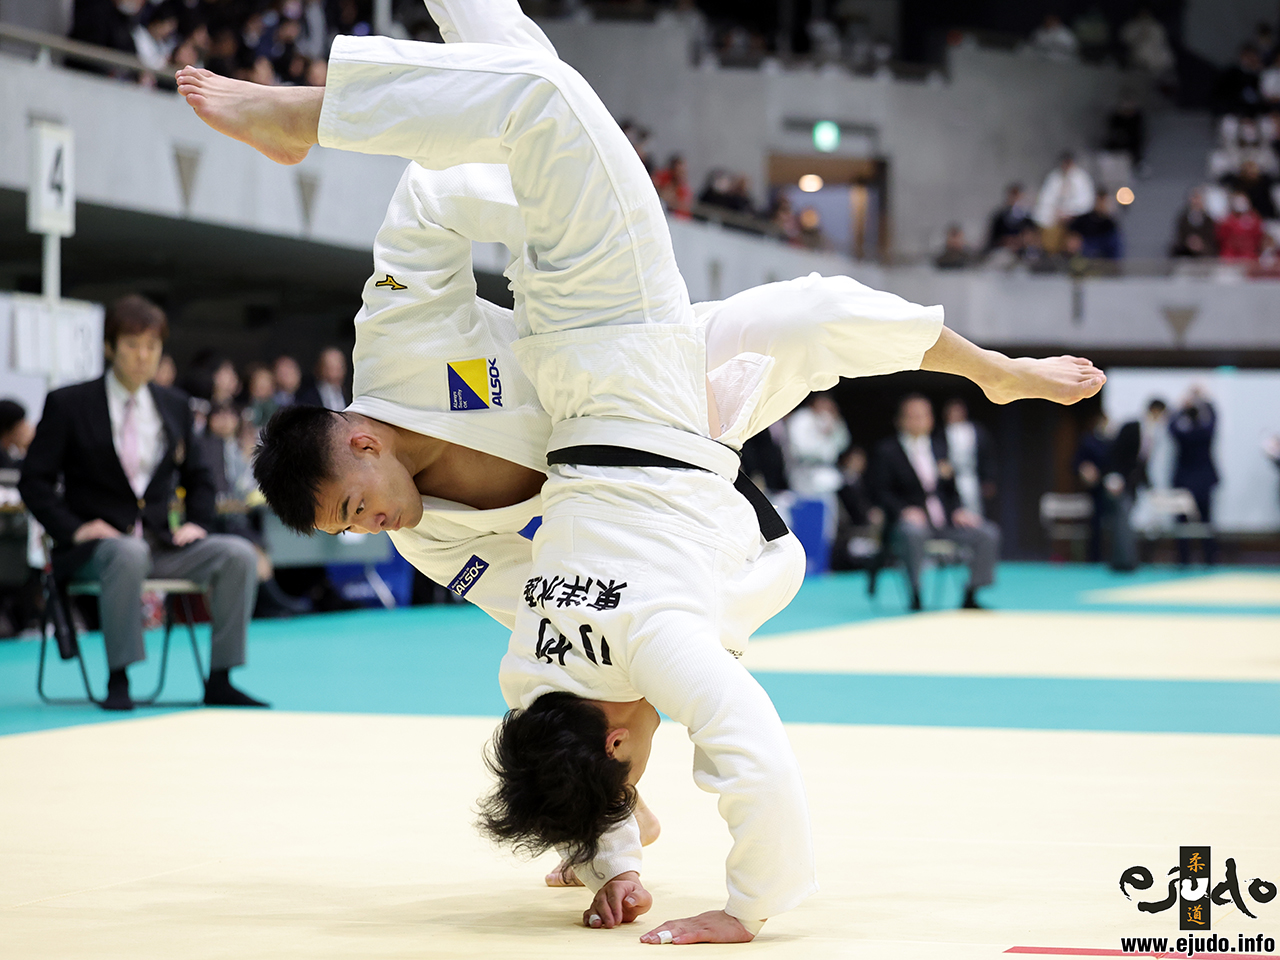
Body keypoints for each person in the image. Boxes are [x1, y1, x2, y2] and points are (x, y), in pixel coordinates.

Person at [177, 1, 1106, 941]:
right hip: (672, 441)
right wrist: (613, 818)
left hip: (599, 348)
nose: (368, 530)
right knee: (543, 97)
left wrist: (605, 841)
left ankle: (992, 371)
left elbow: (427, 204)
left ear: (361, 444)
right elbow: (582, 691)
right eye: (348, 531)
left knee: (788, 289)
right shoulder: (468, 563)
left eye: (351, 508)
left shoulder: (396, 342)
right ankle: (320, 116)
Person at [19, 295, 266, 711]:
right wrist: (75, 528)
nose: (142, 356)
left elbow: (200, 477)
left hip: (159, 543)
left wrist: (198, 523)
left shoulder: (174, 405)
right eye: (132, 345)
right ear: (109, 347)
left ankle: (221, 678)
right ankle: (119, 679)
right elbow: (34, 481)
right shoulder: (69, 403)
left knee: (238, 554)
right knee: (126, 552)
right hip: (94, 550)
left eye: (152, 346)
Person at [870, 395, 1000, 611]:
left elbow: (951, 489)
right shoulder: (887, 451)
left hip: (944, 523)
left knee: (987, 533)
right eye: (913, 416)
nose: (919, 420)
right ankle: (916, 593)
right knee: (912, 533)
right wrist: (903, 510)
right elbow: (879, 491)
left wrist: (958, 510)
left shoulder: (940, 448)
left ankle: (972, 593)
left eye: (923, 415)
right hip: (907, 525)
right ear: (900, 420)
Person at [1169, 388, 1218, 565]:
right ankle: (1209, 559)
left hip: (1184, 480)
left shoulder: (1184, 435)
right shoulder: (1205, 433)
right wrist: (1205, 401)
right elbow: (1214, 420)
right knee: (1206, 521)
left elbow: (1171, 426)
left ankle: (1184, 559)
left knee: (1182, 522)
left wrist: (1181, 407)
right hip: (1204, 480)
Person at [940, 398, 996, 518]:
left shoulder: (976, 430)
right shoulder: (942, 433)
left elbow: (986, 456)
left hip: (972, 478)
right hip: (952, 479)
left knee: (975, 509)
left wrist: (988, 479)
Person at [1034, 153, 1095, 253]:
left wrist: (1069, 212)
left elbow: (1086, 202)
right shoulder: (1054, 177)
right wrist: (1054, 213)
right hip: (1055, 217)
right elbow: (1045, 199)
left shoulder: (1082, 178)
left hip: (1076, 218)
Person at [1070, 190, 1123, 260]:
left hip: (1102, 261)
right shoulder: (1082, 221)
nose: (1102, 205)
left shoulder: (1110, 226)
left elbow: (1114, 253)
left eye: (1105, 202)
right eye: (1100, 201)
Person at [1170, 188, 1218, 258]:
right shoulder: (1183, 218)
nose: (1196, 201)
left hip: (1204, 253)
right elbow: (1180, 235)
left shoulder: (1208, 220)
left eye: (1198, 198)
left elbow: (1211, 236)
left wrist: (1200, 244)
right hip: (1186, 251)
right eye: (1194, 198)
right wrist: (1190, 242)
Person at [1216, 191, 1265, 261]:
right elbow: (1222, 239)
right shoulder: (1226, 221)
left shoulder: (1255, 219)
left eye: (1242, 201)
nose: (1240, 204)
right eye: (1238, 201)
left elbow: (1259, 238)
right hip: (1230, 256)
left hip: (1250, 256)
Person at [986, 183, 1033, 252]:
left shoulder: (1028, 221)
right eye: (1013, 196)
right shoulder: (999, 218)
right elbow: (992, 240)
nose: (1015, 200)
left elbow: (1032, 240)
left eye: (1017, 196)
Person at [0, 400, 35, 469]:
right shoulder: (3, 460)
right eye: (22, 424)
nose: (27, 428)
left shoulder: (8, 455)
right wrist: (31, 447)